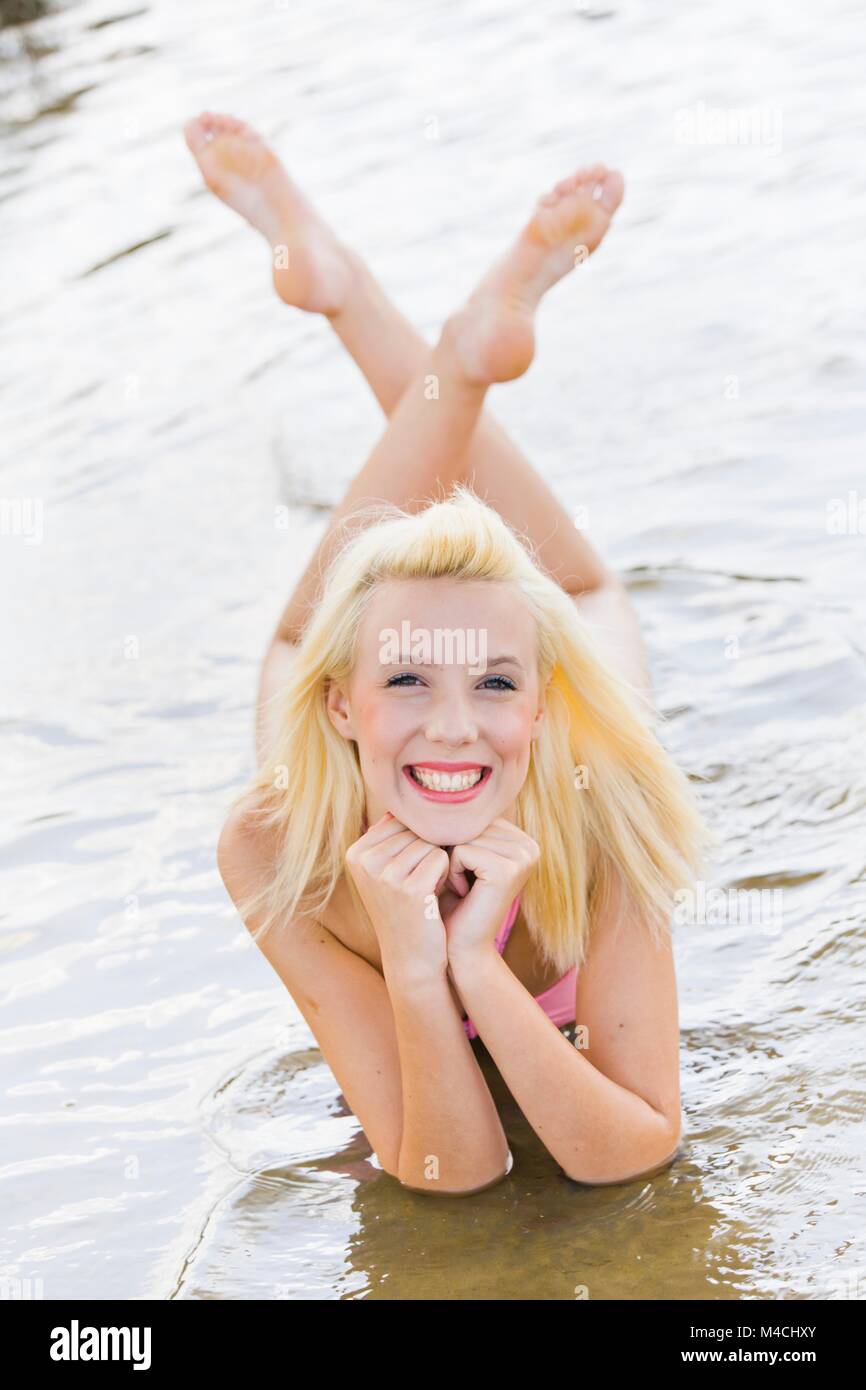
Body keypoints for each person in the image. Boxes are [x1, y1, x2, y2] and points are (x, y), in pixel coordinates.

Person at [184, 111, 710, 1196]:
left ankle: (416, 327)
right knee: (306, 634)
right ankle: (423, 335)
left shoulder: (600, 796)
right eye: (409, 679)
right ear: (342, 706)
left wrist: (478, 961)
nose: (455, 723)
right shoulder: (274, 846)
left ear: (541, 702)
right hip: (326, 747)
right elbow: (442, 1171)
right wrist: (417, 970)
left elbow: (634, 1145)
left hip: (554, 766)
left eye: (496, 683)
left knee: (585, 596)